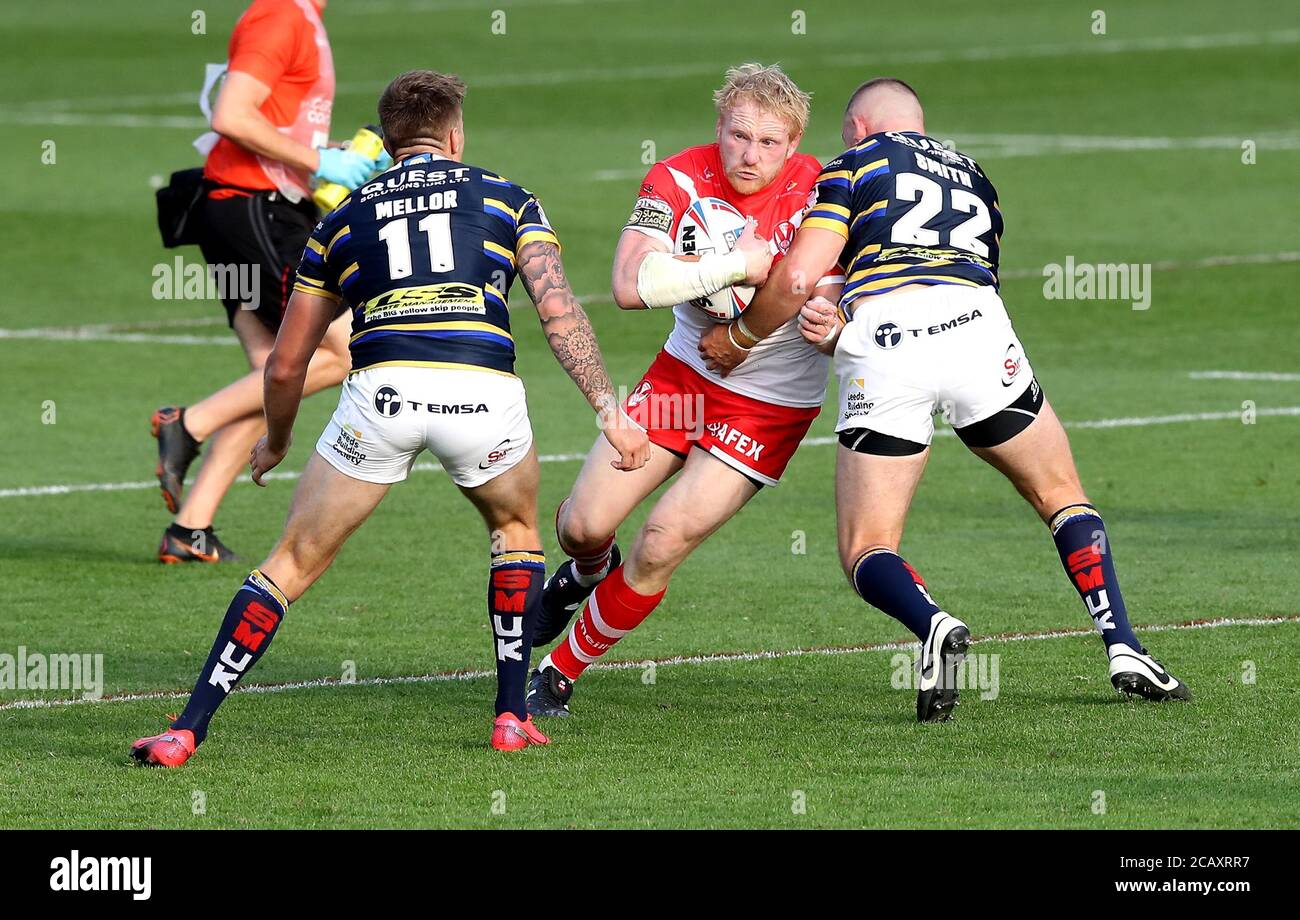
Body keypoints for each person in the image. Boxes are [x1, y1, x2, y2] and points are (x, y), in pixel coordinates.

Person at [130, 69, 649, 765]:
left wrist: (276, 441)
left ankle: (187, 728)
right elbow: (559, 311)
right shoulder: (507, 198)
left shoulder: (342, 218)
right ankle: (508, 716)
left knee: (290, 564)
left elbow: (287, 363)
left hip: (383, 397)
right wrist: (609, 411)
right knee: (516, 532)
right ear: (456, 136)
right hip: (482, 395)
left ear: (389, 141)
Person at [700, 77, 1190, 721]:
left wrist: (741, 337)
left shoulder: (852, 163)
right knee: (1061, 494)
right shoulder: (975, 176)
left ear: (858, 128)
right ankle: (1123, 645)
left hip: (886, 344)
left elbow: (797, 276)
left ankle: (932, 624)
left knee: (867, 546)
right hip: (979, 332)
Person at [524, 64, 842, 719]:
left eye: (769, 142)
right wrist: (735, 266)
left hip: (769, 405)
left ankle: (559, 673)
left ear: (794, 143)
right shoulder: (674, 177)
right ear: (718, 127)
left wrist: (836, 318)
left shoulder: (823, 189)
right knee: (580, 525)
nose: (751, 155)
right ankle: (586, 573)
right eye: (739, 135)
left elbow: (852, 282)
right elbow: (628, 283)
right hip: (683, 378)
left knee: (663, 540)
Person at [152, 0, 383, 564]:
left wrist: (320, 159)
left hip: (256, 205)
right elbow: (231, 115)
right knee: (344, 350)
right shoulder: (280, 13)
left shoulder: (301, 16)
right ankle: (188, 422)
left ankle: (190, 529)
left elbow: (271, 117)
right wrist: (318, 162)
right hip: (255, 208)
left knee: (275, 372)